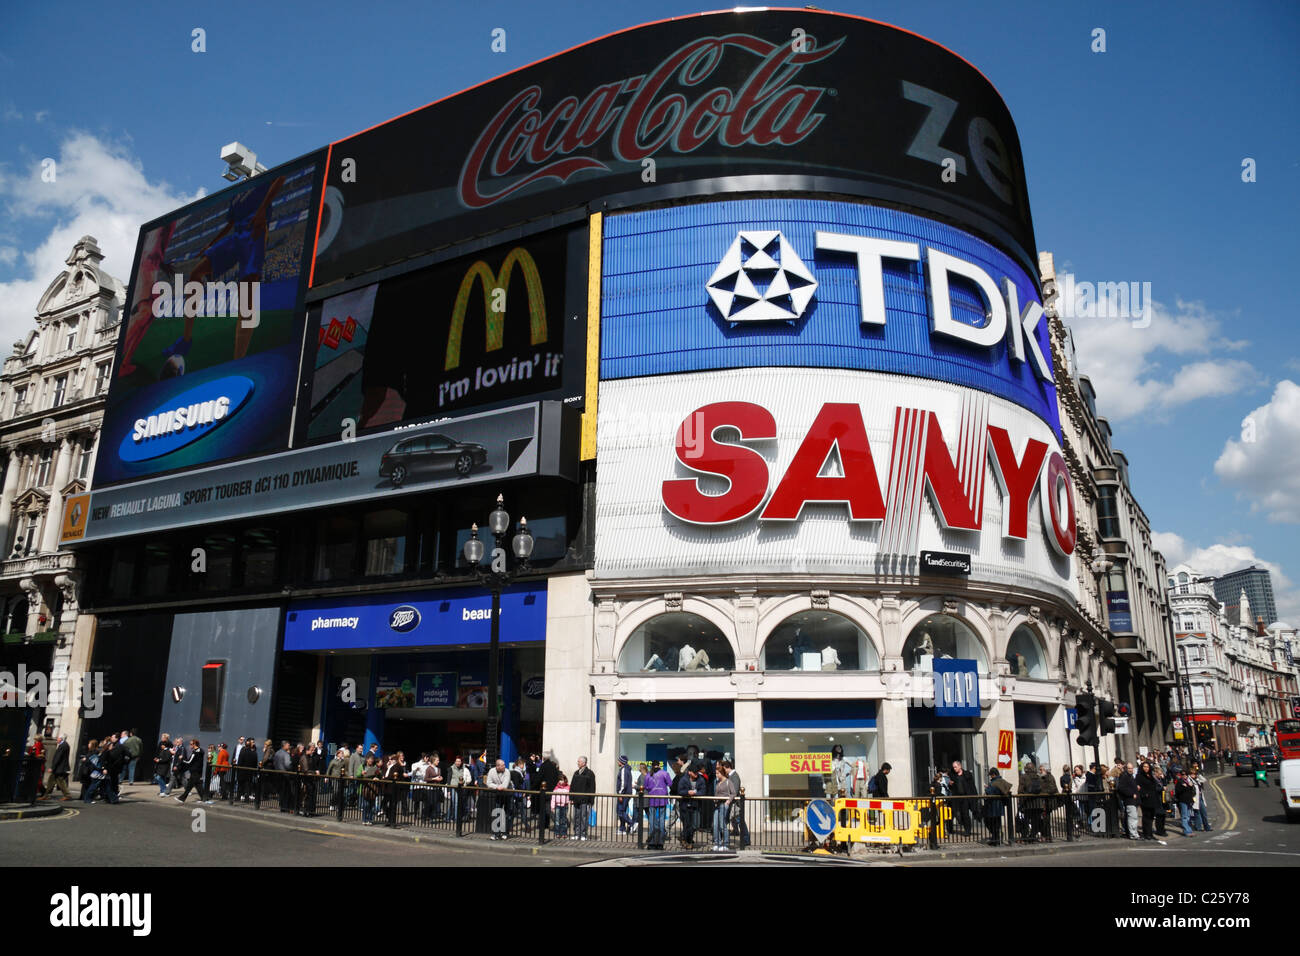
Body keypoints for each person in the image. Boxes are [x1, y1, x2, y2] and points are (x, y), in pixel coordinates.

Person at [644, 761, 672, 850]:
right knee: (661, 821)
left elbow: (646, 787)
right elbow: (670, 784)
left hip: (652, 799)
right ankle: (660, 842)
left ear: (651, 766)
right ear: (659, 765)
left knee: (652, 821)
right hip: (662, 799)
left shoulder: (648, 775)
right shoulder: (664, 773)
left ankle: (652, 842)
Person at [723, 760, 750, 848]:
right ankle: (741, 836)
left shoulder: (734, 776)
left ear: (727, 768)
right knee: (731, 819)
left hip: (735, 803)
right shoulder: (732, 776)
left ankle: (746, 839)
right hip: (733, 803)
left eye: (724, 769)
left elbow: (734, 789)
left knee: (739, 820)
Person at [984, 769, 1012, 845]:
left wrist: (987, 788)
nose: (990, 777)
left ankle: (995, 839)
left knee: (991, 823)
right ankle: (996, 838)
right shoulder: (1002, 781)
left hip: (993, 806)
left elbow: (990, 792)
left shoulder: (994, 783)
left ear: (993, 774)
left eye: (991, 775)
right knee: (997, 823)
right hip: (999, 805)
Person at [674, 764, 700, 848]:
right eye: (694, 772)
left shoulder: (700, 779)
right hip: (684, 804)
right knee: (687, 824)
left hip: (695, 805)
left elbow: (703, 790)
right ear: (689, 772)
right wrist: (687, 792)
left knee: (695, 824)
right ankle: (687, 840)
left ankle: (687, 838)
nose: (696, 774)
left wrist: (696, 793)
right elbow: (679, 790)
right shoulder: (683, 779)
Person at [485, 758, 512, 839]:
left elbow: (505, 785)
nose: (504, 766)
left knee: (507, 814)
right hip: (498, 794)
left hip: (507, 794)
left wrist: (500, 787)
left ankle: (505, 833)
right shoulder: (491, 771)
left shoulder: (507, 771)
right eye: (502, 765)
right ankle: (495, 834)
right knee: (497, 813)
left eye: (504, 765)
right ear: (497, 766)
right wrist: (497, 787)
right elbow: (488, 783)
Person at [570, 756, 596, 841]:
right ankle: (577, 833)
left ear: (584, 763)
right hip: (576, 799)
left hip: (585, 799)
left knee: (583, 817)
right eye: (578, 762)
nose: (578, 763)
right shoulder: (576, 773)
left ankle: (583, 834)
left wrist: (591, 800)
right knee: (576, 817)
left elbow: (592, 787)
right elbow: (572, 786)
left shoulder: (590, 773)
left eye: (579, 762)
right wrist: (571, 797)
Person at [949, 760, 977, 834]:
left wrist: (974, 796)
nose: (954, 768)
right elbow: (951, 787)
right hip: (957, 798)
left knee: (965, 814)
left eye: (955, 767)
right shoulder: (953, 775)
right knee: (958, 814)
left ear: (960, 766)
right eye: (953, 767)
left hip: (966, 797)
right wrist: (950, 784)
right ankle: (964, 825)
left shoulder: (967, 774)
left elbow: (972, 786)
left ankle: (967, 830)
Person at [712, 761, 734, 852]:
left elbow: (733, 793)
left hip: (723, 805)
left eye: (717, 773)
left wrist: (728, 801)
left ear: (721, 773)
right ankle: (717, 843)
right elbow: (716, 793)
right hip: (717, 805)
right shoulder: (718, 783)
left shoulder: (728, 782)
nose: (716, 775)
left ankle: (725, 844)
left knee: (722, 825)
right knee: (715, 825)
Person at [1136, 760, 1161, 841]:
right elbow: (1138, 787)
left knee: (1151, 817)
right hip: (1146, 799)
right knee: (1146, 816)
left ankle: (1150, 833)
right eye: (1144, 767)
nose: (1146, 768)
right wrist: (1144, 794)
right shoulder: (1139, 776)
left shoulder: (1150, 775)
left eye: (1147, 767)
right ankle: (1146, 833)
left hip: (1153, 798)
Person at [42, 734, 72, 801]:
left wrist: (52, 767)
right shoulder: (65, 745)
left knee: (61, 782)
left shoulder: (63, 746)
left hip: (59, 768)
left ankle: (67, 795)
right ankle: (46, 795)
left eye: (58, 738)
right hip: (59, 767)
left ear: (61, 739)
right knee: (51, 781)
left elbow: (58, 758)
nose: (57, 739)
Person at [616, 755, 636, 834]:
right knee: (622, 811)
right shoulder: (626, 769)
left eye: (618, 760)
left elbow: (623, 783)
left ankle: (631, 824)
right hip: (626, 793)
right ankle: (622, 828)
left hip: (624, 794)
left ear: (621, 762)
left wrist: (620, 794)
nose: (617, 762)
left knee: (620, 811)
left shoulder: (624, 770)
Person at [1190, 763, 1212, 832]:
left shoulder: (1197, 779)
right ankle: (1199, 827)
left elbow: (1204, 780)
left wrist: (1198, 774)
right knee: (1197, 813)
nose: (1194, 775)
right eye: (1192, 774)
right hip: (1195, 798)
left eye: (1194, 774)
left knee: (1204, 813)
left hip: (1200, 797)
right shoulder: (1189, 780)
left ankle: (1207, 827)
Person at [273, 740, 294, 813]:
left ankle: (282, 806)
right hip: (285, 775)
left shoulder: (277, 753)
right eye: (288, 745)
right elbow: (288, 765)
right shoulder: (286, 754)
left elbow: (274, 762)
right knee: (286, 792)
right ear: (284, 745)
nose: (289, 747)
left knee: (281, 791)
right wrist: (292, 768)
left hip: (277, 774)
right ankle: (285, 807)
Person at [80, 740, 104, 804]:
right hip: (86, 770)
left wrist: (85, 759)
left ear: (92, 745)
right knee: (86, 784)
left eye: (89, 743)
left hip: (90, 770)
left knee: (90, 784)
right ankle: (84, 796)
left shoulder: (95, 752)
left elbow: (92, 761)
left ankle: (88, 797)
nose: (88, 745)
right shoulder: (90, 751)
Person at [236, 737, 259, 803]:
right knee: (247, 786)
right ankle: (246, 799)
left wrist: (238, 769)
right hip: (248, 772)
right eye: (252, 742)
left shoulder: (244, 750)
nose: (253, 743)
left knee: (241, 786)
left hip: (243, 771)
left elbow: (240, 761)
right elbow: (255, 763)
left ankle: (238, 798)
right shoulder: (254, 752)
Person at [1174, 770, 1197, 837]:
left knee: (1188, 816)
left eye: (1186, 775)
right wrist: (1184, 787)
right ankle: (1187, 831)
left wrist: (1190, 786)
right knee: (1184, 817)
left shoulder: (1188, 782)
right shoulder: (1179, 782)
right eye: (1183, 775)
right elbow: (1178, 792)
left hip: (1189, 801)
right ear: (1181, 775)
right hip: (1183, 801)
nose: (1184, 776)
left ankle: (1188, 830)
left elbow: (1192, 791)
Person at [360, 755, 381, 825]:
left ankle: (370, 820)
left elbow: (380, 776)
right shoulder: (363, 767)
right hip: (366, 788)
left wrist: (377, 778)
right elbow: (358, 775)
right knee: (366, 805)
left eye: (372, 760)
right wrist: (361, 774)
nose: (371, 761)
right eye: (369, 759)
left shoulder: (376, 768)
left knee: (372, 806)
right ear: (367, 760)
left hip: (373, 788)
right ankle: (364, 819)